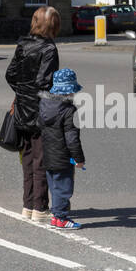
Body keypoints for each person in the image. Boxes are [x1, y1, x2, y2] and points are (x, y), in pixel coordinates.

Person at [5, 5, 60, 223]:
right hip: (41, 110)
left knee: (27, 158)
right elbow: (44, 82)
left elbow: (10, 75)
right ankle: (40, 207)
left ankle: (27, 206)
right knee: (41, 160)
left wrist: (21, 93)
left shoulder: (23, 44)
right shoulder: (49, 49)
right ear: (52, 25)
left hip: (21, 108)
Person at [39, 67, 86, 229]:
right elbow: (72, 139)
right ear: (69, 91)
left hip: (47, 154)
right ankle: (60, 218)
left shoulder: (44, 105)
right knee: (64, 189)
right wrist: (79, 158)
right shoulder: (69, 111)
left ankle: (56, 216)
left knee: (55, 186)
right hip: (63, 157)